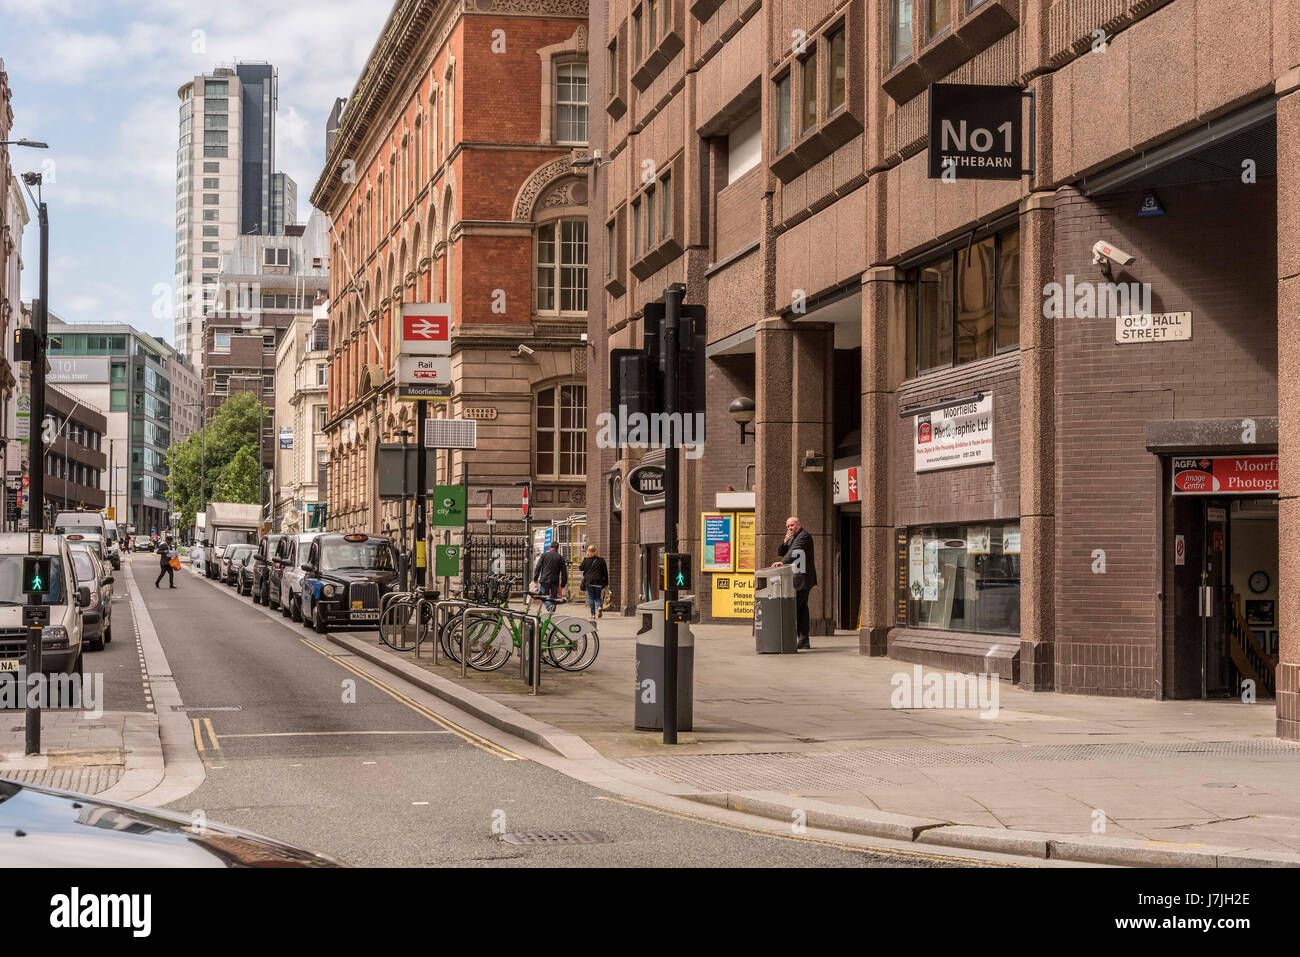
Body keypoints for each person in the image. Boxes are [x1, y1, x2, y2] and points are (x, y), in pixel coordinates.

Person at [772, 515, 817, 649]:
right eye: (788, 526)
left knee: (795, 609)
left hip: (803, 578)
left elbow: (794, 552)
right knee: (802, 609)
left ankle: (795, 639)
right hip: (798, 579)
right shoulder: (792, 538)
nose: (790, 528)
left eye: (792, 525)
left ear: (799, 525)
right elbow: (782, 551)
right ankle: (803, 640)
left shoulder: (804, 536)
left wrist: (783, 562)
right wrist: (785, 541)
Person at [532, 541, 568, 612]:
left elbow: (538, 567)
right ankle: (551, 611)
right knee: (554, 598)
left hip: (544, 579)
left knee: (543, 596)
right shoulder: (560, 557)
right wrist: (563, 583)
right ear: (557, 548)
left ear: (550, 547)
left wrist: (535, 577)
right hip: (555, 580)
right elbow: (564, 572)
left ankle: (549, 607)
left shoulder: (544, 555)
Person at [578, 545, 609, 621]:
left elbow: (580, 568)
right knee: (598, 597)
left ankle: (593, 615)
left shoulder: (586, 560)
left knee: (591, 597)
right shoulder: (601, 560)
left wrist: (584, 559)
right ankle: (599, 606)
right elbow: (605, 572)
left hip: (589, 581)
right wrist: (606, 583)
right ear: (596, 551)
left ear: (588, 551)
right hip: (598, 581)